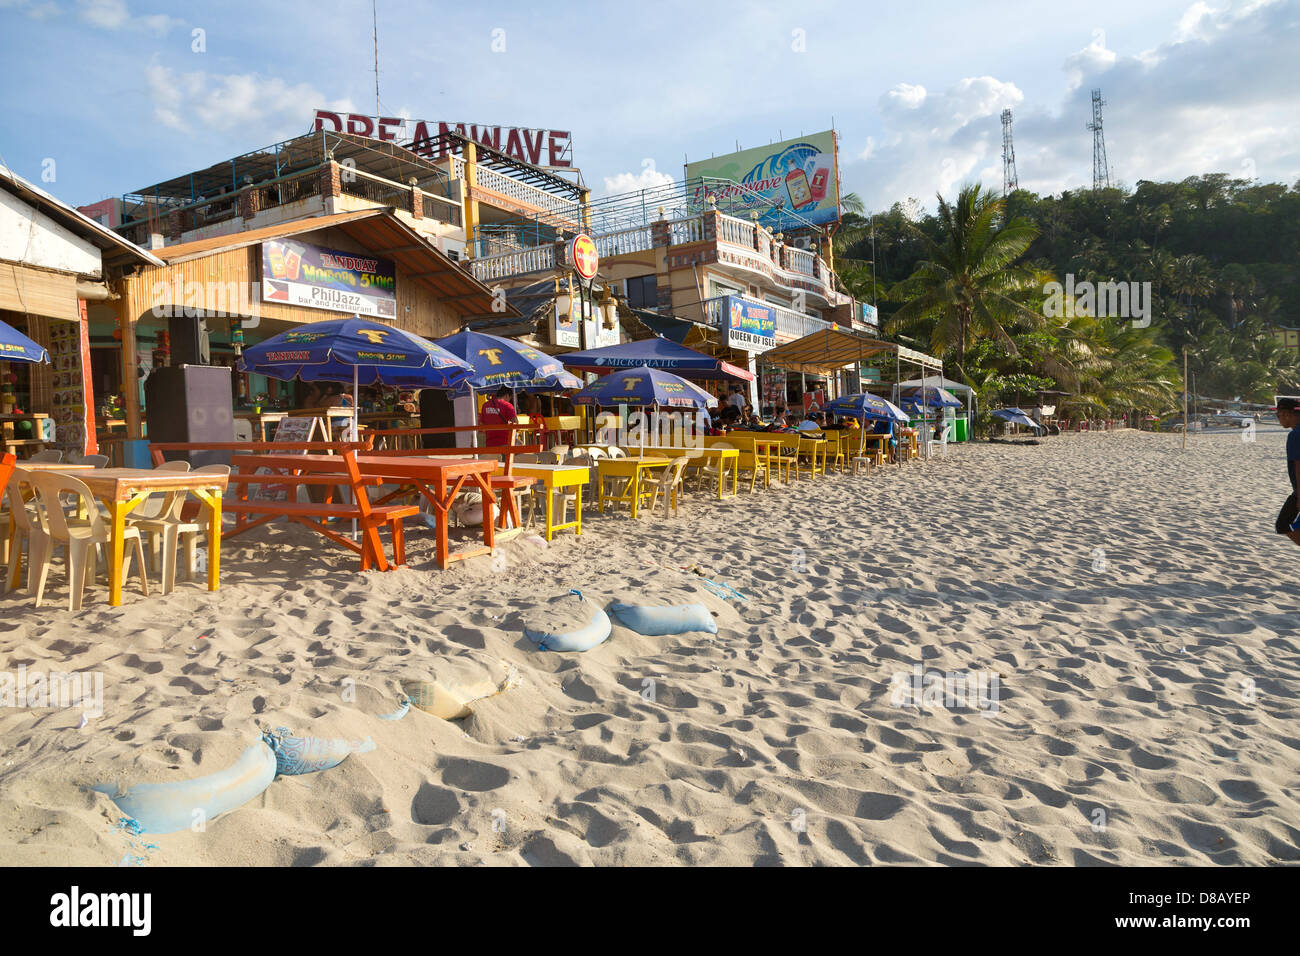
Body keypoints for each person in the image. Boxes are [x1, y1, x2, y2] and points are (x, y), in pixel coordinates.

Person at [1274, 396, 1300, 547]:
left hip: (1299, 491)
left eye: (1278, 416)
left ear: (1287, 414)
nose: (1279, 419)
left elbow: (1299, 465)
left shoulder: (1295, 435)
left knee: (1283, 524)